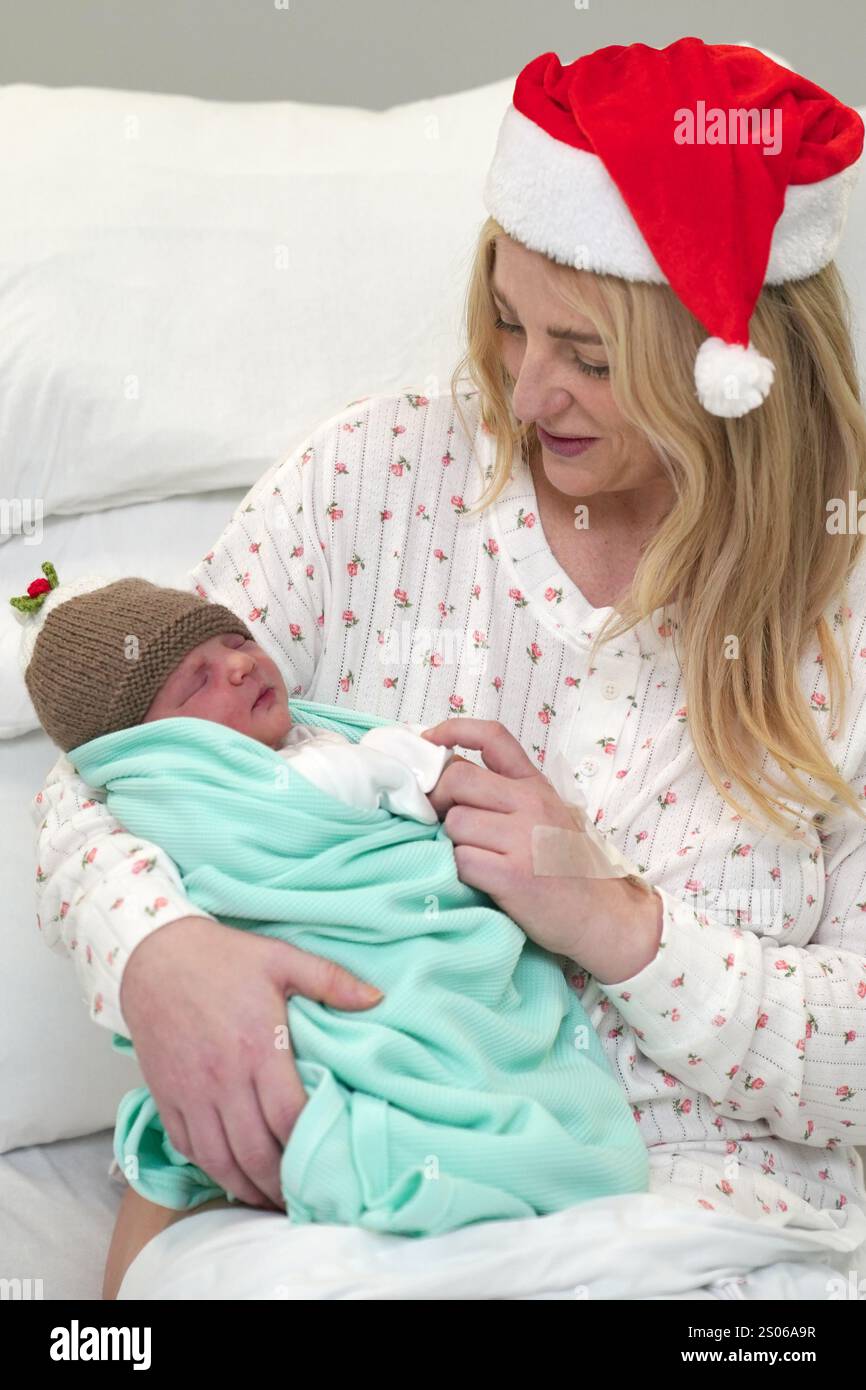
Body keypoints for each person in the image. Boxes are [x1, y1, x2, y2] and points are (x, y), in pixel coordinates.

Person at [28, 36, 866, 1299]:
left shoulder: (836, 605)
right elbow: (109, 758)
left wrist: (619, 922)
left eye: (587, 358)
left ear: (728, 369)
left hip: (706, 1232)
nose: (525, 392)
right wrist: (158, 952)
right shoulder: (378, 476)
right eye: (509, 321)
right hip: (357, 1200)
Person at [12, 568, 650, 1252]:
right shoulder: (198, 796)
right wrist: (404, 767)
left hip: (431, 959)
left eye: (236, 641)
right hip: (331, 1005)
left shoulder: (309, 740)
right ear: (146, 746)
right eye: (196, 681)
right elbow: (341, 788)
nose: (236, 665)